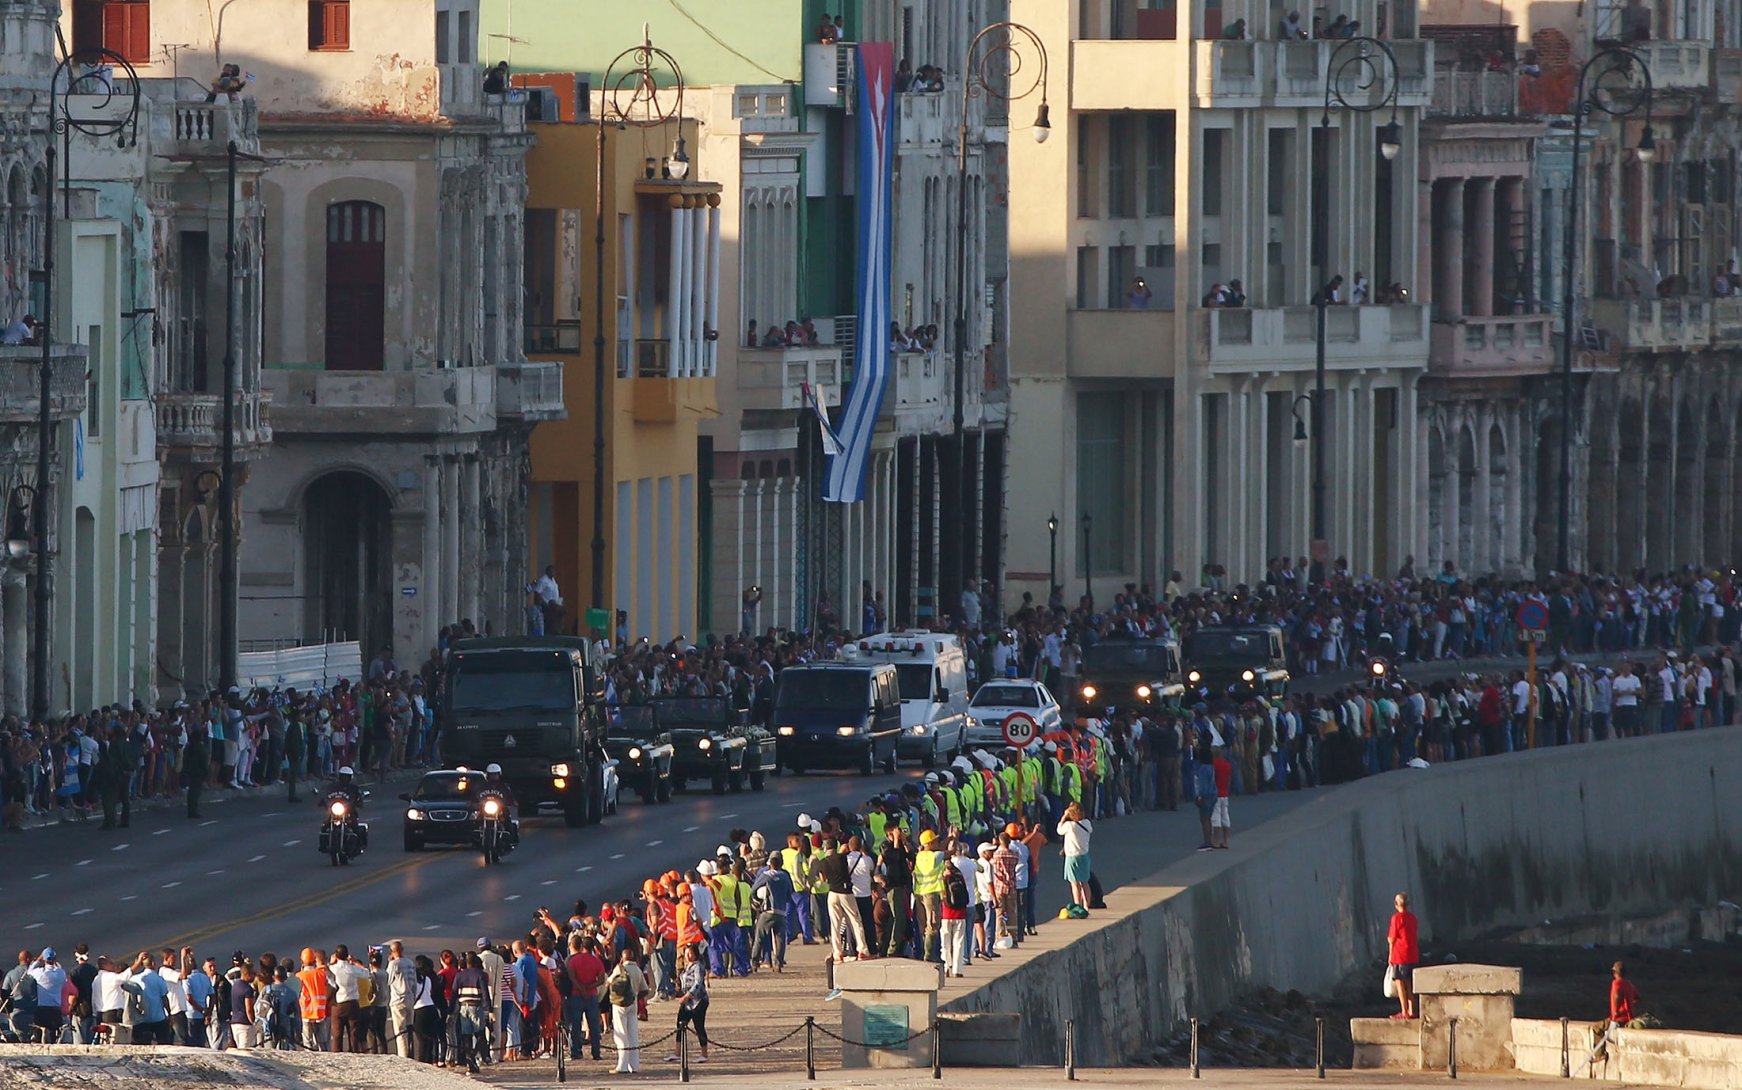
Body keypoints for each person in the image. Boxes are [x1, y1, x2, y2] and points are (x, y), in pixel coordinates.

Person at [604, 946, 647, 1073]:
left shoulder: (619, 968)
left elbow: (608, 983)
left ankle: (622, 1065)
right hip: (633, 1003)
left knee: (621, 1034)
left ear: (622, 958)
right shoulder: (637, 970)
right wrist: (635, 996)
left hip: (619, 1004)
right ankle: (634, 1066)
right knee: (633, 1034)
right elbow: (644, 989)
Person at [667, 945, 709, 1063]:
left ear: (695, 954)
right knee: (680, 1024)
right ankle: (677, 1052)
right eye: (686, 954)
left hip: (698, 1000)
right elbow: (683, 981)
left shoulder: (698, 967)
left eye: (690, 953)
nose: (688, 956)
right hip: (687, 1003)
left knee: (699, 1026)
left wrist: (687, 995)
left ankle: (704, 1053)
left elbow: (698, 983)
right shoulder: (686, 967)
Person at [1387, 892, 1420, 1019]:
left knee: (1400, 984)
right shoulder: (1413, 918)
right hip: (1413, 954)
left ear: (1396, 904)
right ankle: (1412, 1011)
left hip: (1400, 955)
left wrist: (1390, 955)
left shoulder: (1396, 918)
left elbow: (1392, 938)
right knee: (1410, 984)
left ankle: (1404, 1011)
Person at [1056, 801, 1093, 913]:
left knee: (1075, 883)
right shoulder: (1087, 824)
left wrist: (1064, 816)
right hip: (1084, 856)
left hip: (1072, 857)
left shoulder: (1069, 826)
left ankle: (1078, 905)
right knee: (1085, 882)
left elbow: (1059, 830)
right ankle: (1087, 905)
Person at [1608, 960, 1640, 1027]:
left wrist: (1616, 1012)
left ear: (1614, 972)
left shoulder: (1616, 983)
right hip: (1630, 1019)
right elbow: (1638, 999)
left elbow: (1617, 996)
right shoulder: (1630, 984)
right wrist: (1629, 1006)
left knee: (1596, 1029)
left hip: (1618, 1019)